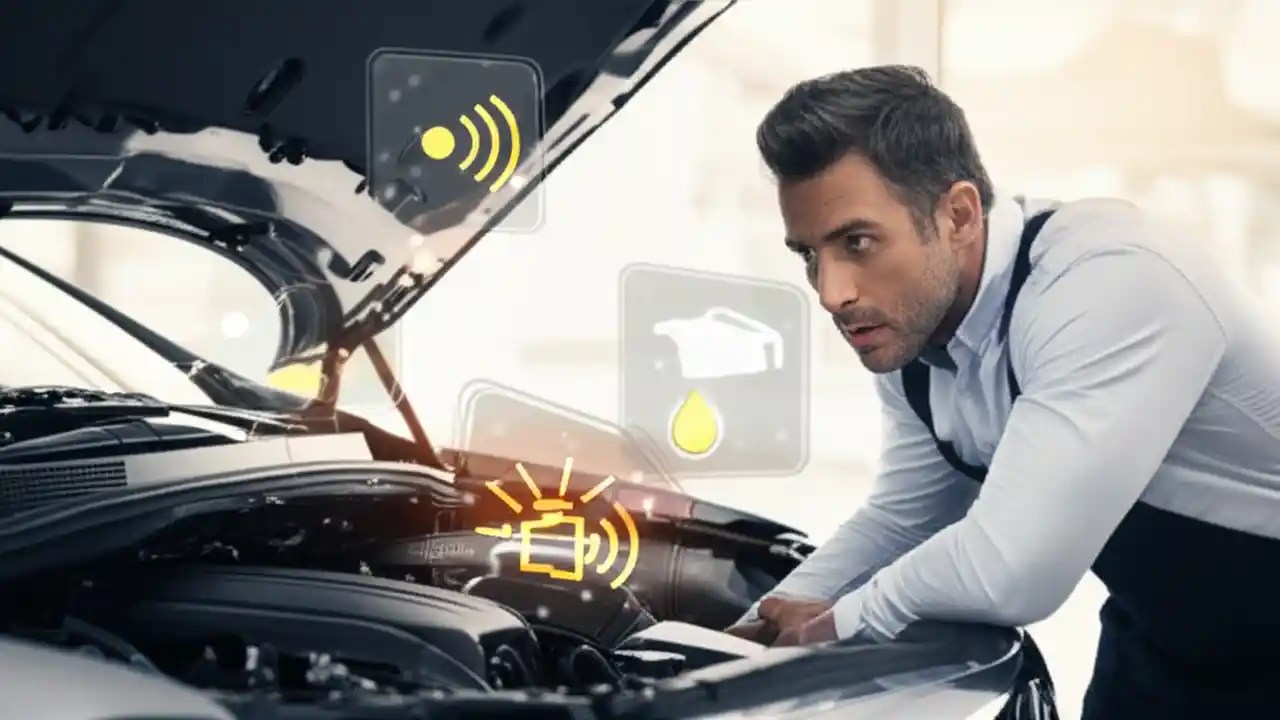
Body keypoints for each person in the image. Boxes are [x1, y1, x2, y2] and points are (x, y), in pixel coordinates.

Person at [725, 65, 1280, 719]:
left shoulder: (1106, 282)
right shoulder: (914, 332)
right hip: (1163, 640)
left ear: (958, 215)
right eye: (809, 255)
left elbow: (1013, 569)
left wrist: (834, 626)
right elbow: (909, 517)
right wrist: (742, 641)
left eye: (859, 242)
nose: (832, 292)